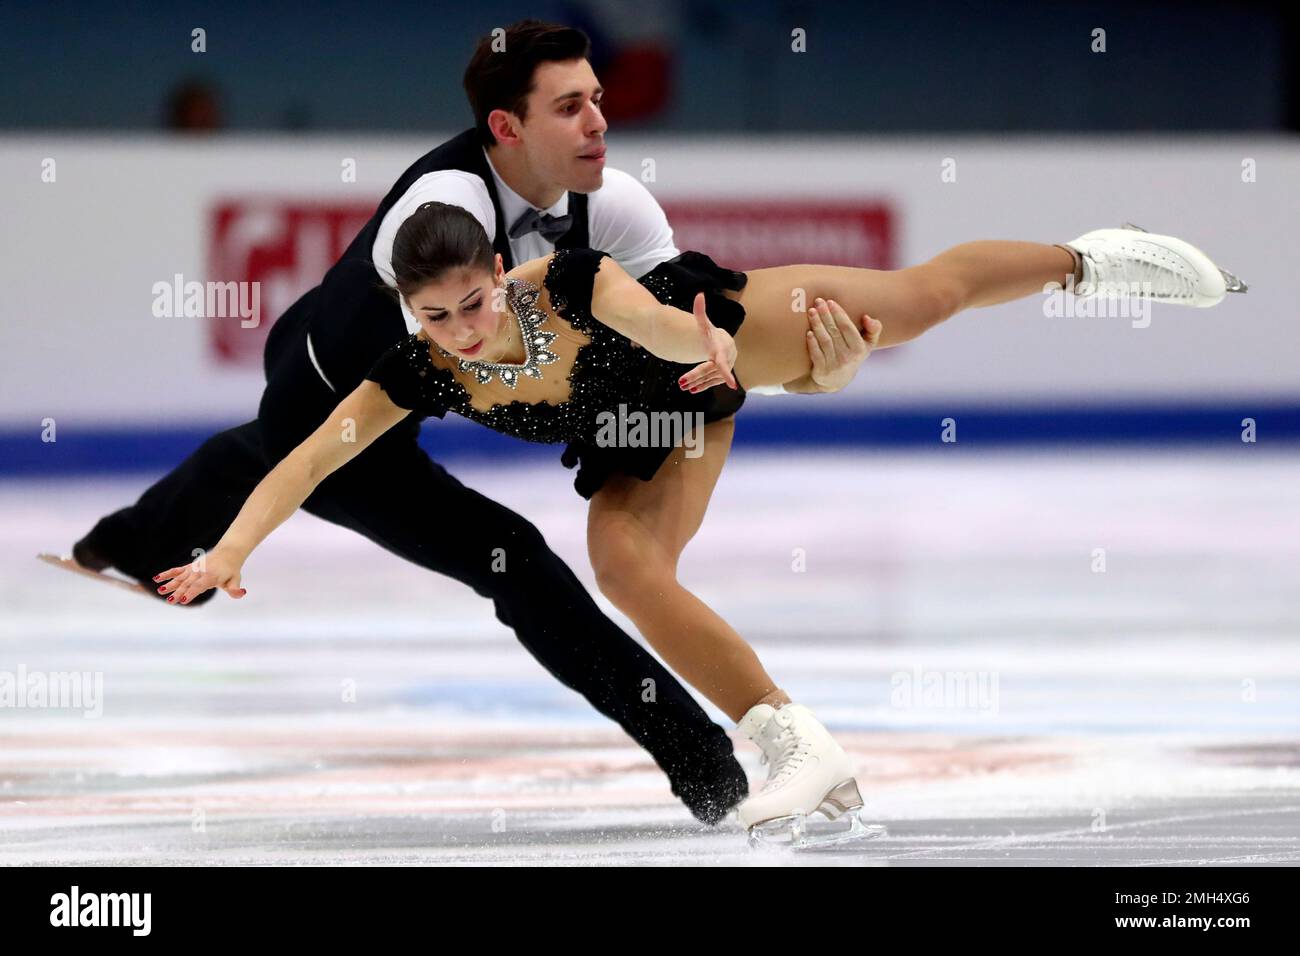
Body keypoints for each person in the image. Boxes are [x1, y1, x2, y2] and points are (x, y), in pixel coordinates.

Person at [153, 199, 1243, 842]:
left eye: (475, 302)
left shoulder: (569, 285)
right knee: (621, 560)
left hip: (694, 344)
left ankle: (1091, 260)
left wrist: (717, 349)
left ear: (502, 271)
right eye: (435, 316)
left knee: (907, 306)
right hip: (640, 428)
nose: (463, 330)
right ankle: (796, 741)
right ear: (408, 312)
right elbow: (307, 455)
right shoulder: (419, 367)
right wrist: (229, 551)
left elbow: (657, 326)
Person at [68, 21, 872, 828]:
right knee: (507, 557)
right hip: (330, 408)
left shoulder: (589, 210)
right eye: (571, 107)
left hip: (330, 369)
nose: (596, 124)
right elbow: (320, 452)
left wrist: (803, 378)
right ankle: (706, 766)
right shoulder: (443, 232)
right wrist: (235, 552)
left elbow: (674, 341)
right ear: (507, 127)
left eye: (595, 102)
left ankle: (125, 542)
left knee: (251, 454)